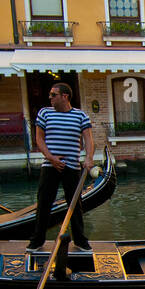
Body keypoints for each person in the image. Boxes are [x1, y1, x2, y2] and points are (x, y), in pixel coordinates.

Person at [27, 82, 94, 253]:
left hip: (72, 166)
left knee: (75, 204)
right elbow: (39, 139)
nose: (50, 98)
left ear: (65, 96)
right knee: (44, 203)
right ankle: (37, 241)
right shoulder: (45, 113)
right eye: (50, 95)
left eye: (53, 95)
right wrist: (51, 158)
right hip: (50, 165)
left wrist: (89, 158)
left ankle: (80, 240)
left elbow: (88, 139)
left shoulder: (81, 116)